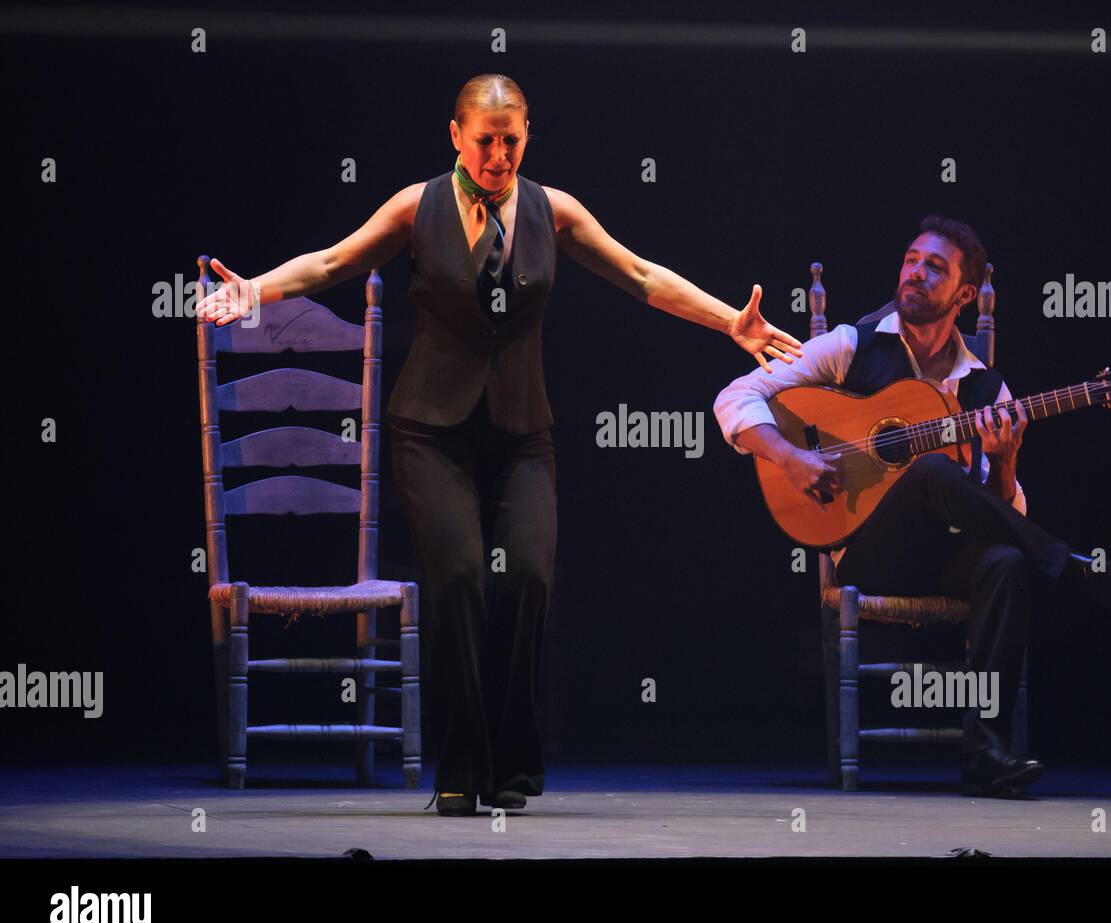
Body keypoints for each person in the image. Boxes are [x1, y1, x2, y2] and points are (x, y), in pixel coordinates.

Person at [196, 73, 803, 815]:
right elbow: (330, 263)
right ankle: (460, 765)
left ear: (526, 136)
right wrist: (255, 289)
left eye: (511, 141)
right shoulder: (416, 207)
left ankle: (511, 760)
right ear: (456, 135)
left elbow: (643, 276)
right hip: (430, 430)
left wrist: (728, 324)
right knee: (457, 580)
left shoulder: (554, 211)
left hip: (521, 432)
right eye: (485, 141)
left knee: (528, 578)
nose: (498, 156)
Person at [712, 215, 1111, 798]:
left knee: (1007, 563)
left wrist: (1005, 464)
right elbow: (735, 395)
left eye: (934, 267)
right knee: (930, 467)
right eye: (911, 260)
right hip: (867, 551)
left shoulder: (988, 391)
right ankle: (1070, 570)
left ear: (965, 293)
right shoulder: (850, 346)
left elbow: (1001, 517)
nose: (915, 272)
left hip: (944, 558)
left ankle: (985, 752)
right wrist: (789, 456)